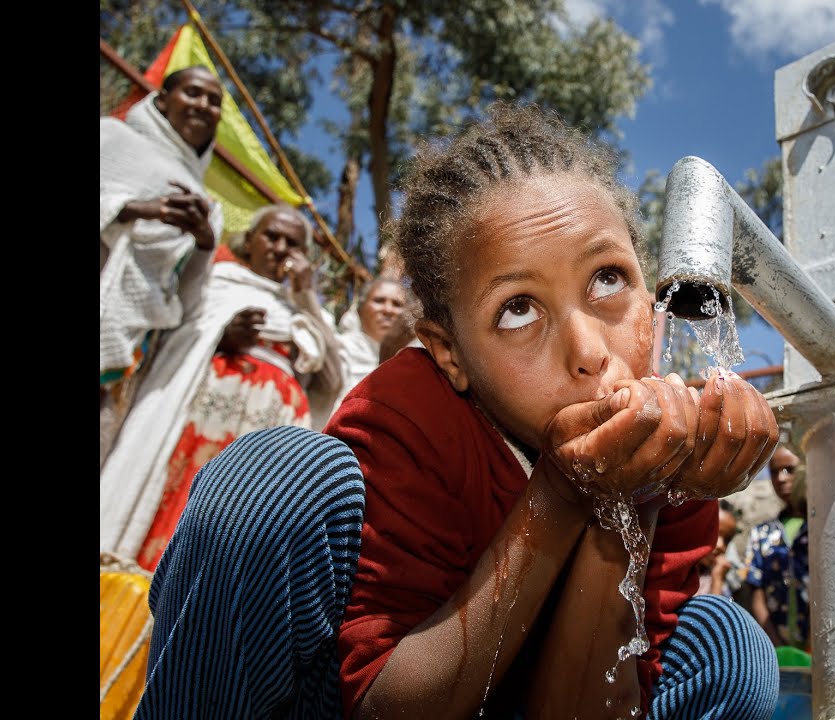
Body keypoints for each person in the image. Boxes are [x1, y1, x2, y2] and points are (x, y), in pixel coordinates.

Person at [136, 104, 782, 720]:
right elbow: (387, 707)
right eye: (518, 310)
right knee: (280, 475)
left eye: (608, 280)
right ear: (450, 353)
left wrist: (632, 505)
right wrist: (559, 496)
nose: (589, 352)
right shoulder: (413, 418)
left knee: (725, 641)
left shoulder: (673, 455)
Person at [100, 203, 344, 572]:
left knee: (236, 520)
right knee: (186, 503)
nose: (279, 248)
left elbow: (331, 381)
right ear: (250, 241)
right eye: (271, 236)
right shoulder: (218, 283)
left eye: (291, 243)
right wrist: (223, 335)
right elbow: (177, 336)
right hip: (201, 428)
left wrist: (306, 295)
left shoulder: (305, 312)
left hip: (266, 440)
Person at [100, 65, 225, 469]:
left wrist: (204, 244)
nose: (203, 106)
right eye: (192, 93)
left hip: (125, 357)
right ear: (162, 98)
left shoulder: (207, 205)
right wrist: (136, 209)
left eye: (214, 101)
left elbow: (189, 305)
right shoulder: (111, 139)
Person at [744, 445, 810, 651]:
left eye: (789, 470)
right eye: (774, 472)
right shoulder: (761, 534)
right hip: (776, 647)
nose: (781, 478)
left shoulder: (822, 527)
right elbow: (757, 595)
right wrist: (776, 645)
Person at [333, 275, 408, 405]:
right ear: (360, 309)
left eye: (397, 304)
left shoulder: (410, 363)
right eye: (379, 301)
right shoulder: (339, 349)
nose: (388, 310)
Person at [697, 500, 744, 599]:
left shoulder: (717, 575)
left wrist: (717, 580)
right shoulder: (676, 575)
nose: (721, 545)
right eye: (714, 533)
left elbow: (714, 613)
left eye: (727, 540)